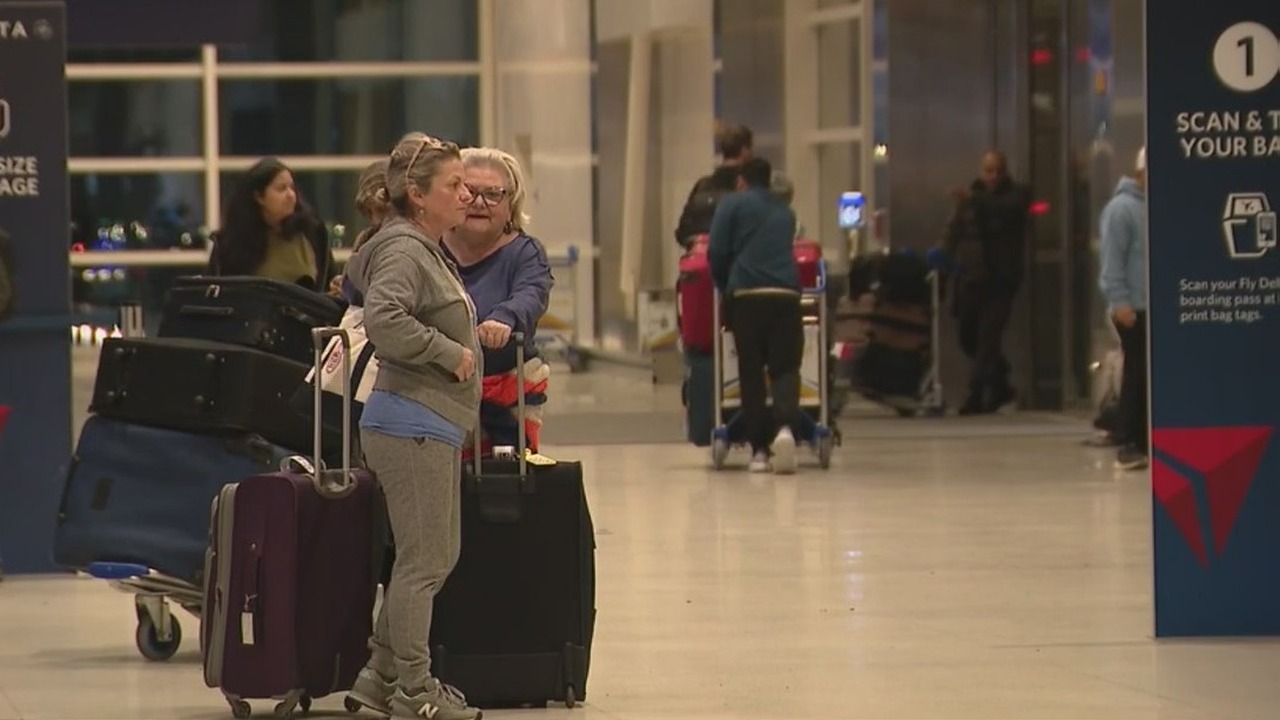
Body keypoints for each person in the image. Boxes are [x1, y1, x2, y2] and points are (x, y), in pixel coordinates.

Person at [342, 132, 483, 720]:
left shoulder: (423, 247)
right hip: (413, 423)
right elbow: (384, 317)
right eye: (454, 184)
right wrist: (447, 353)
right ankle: (416, 691)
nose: (466, 192)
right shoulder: (404, 249)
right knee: (425, 563)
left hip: (426, 422)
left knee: (426, 558)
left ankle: (379, 675)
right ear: (419, 196)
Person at [442, 147, 553, 456]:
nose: (479, 203)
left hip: (507, 382)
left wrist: (505, 317)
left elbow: (531, 294)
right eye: (469, 192)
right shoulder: (426, 245)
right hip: (437, 381)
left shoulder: (525, 252)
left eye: (493, 194)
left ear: (510, 204)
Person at [707, 156, 802, 474]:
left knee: (751, 371)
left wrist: (726, 285)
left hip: (747, 295)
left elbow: (717, 251)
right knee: (785, 366)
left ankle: (759, 450)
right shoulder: (785, 212)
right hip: (787, 295)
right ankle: (785, 429)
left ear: (741, 181)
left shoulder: (732, 205)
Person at [950, 150, 1032, 414]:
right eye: (988, 171)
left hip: (1002, 281)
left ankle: (975, 395)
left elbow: (1007, 210)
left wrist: (974, 198)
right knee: (968, 336)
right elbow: (955, 229)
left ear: (1005, 171)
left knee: (988, 337)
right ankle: (1000, 383)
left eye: (997, 171)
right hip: (974, 279)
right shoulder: (972, 199)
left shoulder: (1016, 195)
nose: (992, 176)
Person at [207, 157, 337, 294]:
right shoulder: (231, 243)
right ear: (259, 196)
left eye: (292, 188)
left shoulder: (312, 232)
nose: (291, 195)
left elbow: (328, 284)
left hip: (307, 315)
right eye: (281, 189)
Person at [1098, 147, 1148, 471]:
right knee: (1137, 373)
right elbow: (1112, 262)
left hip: (1152, 305)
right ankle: (1129, 439)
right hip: (1133, 307)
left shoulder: (1153, 207)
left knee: (1146, 375)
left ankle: (1144, 437)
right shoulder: (1122, 210)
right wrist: (1120, 302)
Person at [673, 123, 754, 248]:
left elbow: (682, 233)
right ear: (744, 151)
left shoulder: (702, 186)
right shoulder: (751, 187)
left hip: (703, 264)